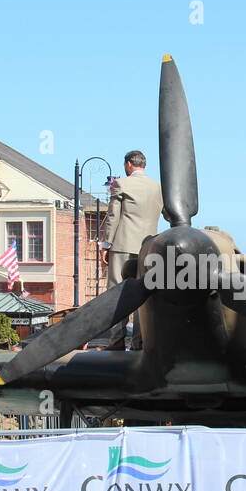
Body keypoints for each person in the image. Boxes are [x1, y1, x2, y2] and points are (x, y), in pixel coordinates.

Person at [99, 150, 162, 350]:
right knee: (143, 293)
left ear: (128, 164)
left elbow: (112, 217)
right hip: (148, 246)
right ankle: (139, 342)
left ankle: (116, 340)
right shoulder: (158, 187)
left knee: (117, 293)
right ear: (144, 165)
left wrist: (105, 244)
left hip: (123, 245)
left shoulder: (121, 184)